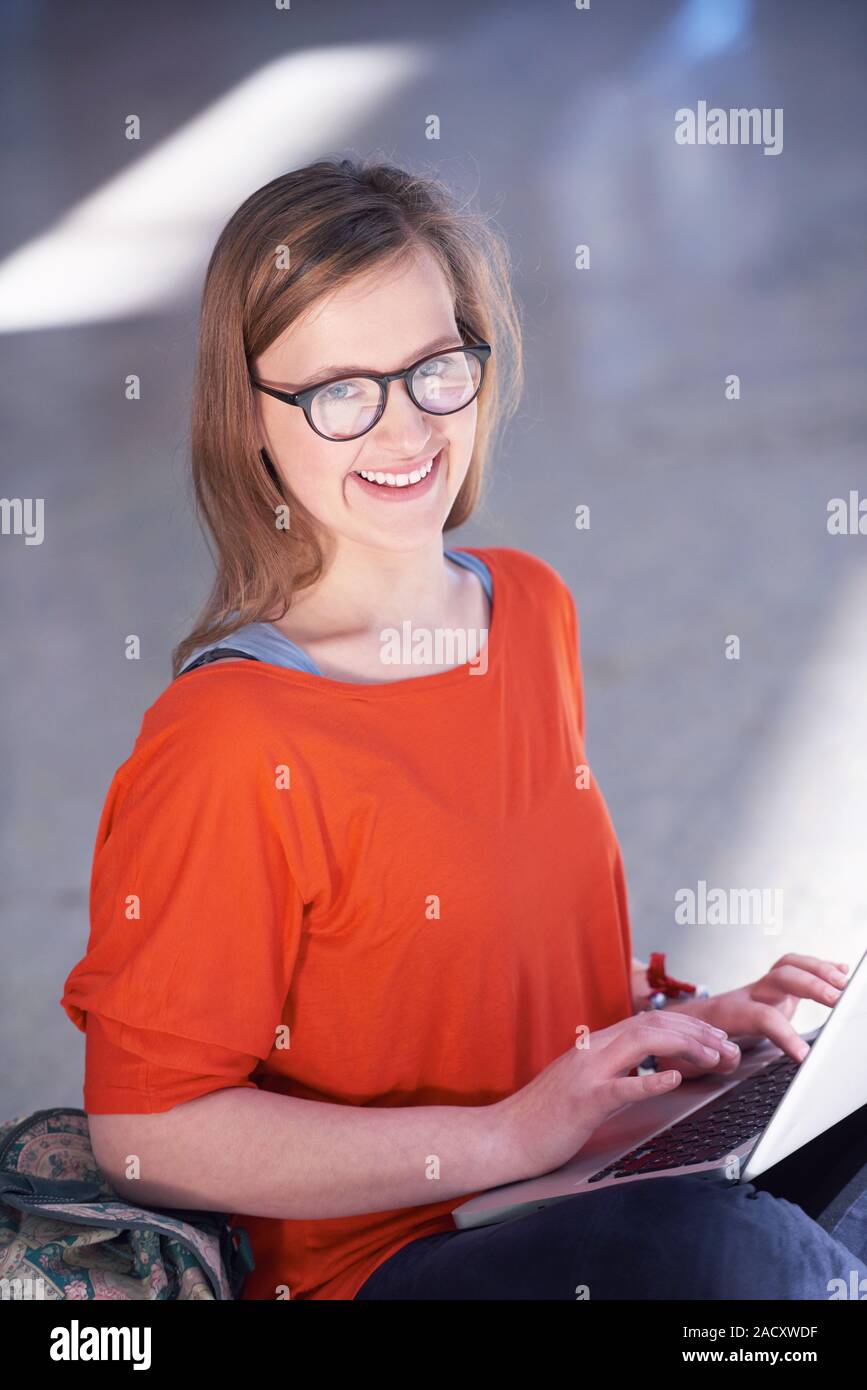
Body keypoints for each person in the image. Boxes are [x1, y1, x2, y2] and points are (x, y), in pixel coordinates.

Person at [60, 157, 867, 1301]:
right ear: (250, 420)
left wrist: (675, 1038)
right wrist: (501, 1140)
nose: (404, 429)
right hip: (393, 1261)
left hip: (591, 1175)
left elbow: (485, 965)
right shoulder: (228, 738)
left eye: (434, 368)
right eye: (340, 390)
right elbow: (146, 1133)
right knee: (739, 1263)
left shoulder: (529, 606)